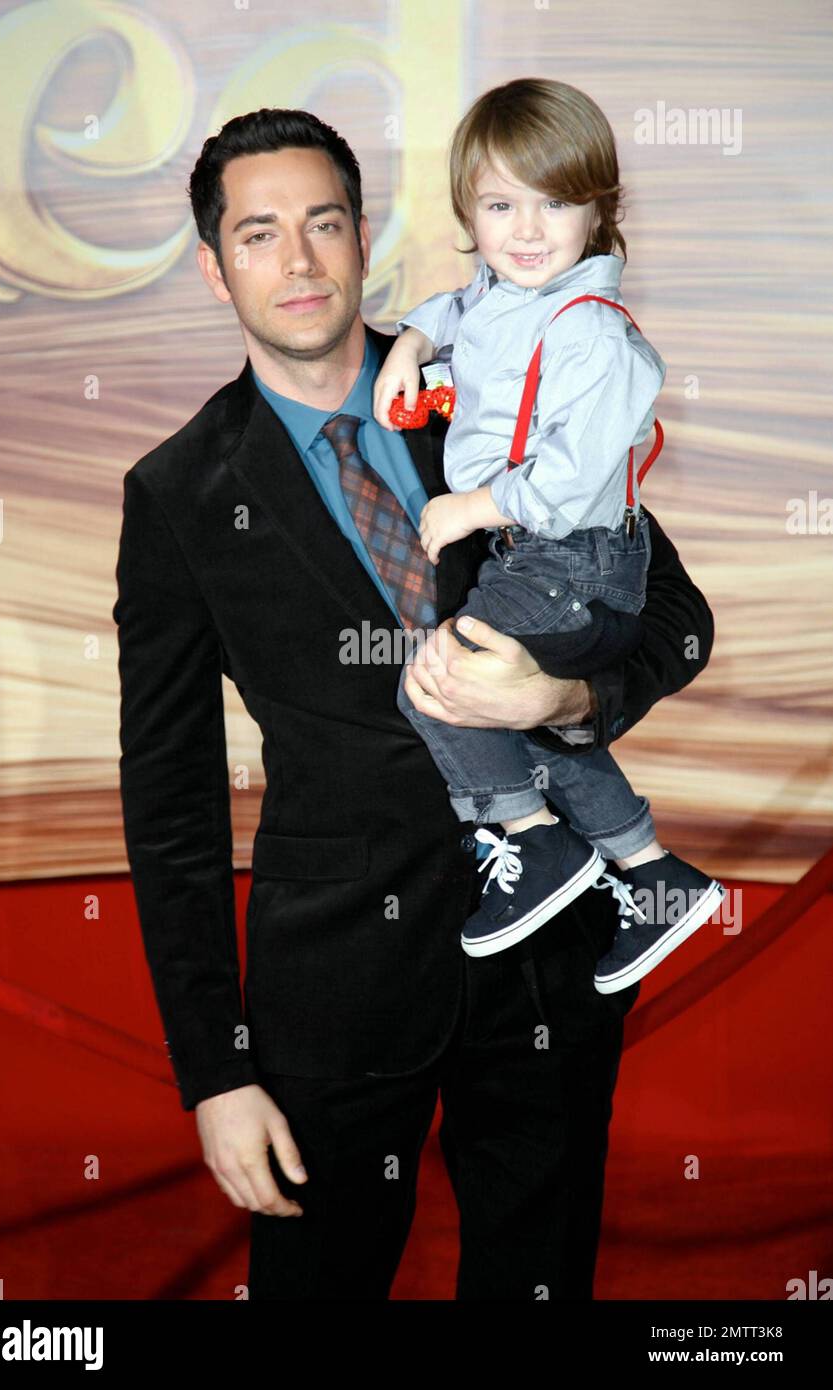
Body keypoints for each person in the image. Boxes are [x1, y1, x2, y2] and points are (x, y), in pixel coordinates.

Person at [112, 105, 716, 1300]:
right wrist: (215, 1072)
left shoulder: (497, 375)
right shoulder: (178, 495)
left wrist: (568, 691)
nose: (298, 262)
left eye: (324, 224)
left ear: (363, 234)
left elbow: (674, 619)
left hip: (550, 960)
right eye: (259, 234)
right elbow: (170, 799)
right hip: (334, 986)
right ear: (211, 262)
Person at [374, 78, 723, 985]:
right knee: (515, 718)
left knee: (436, 686)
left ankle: (535, 841)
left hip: (575, 558)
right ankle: (650, 872)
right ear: (467, 211)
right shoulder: (507, 295)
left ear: (600, 209)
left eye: (555, 203)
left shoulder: (593, 334)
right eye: (498, 205)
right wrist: (412, 342)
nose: (525, 232)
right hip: (546, 558)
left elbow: (568, 483)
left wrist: (471, 508)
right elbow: (462, 309)